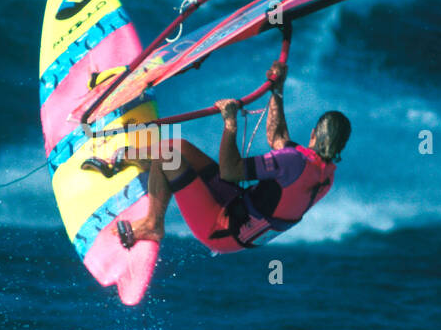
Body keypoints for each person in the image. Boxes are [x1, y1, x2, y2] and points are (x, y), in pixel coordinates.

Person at [84, 61, 349, 251]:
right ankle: (123, 158)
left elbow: (230, 171)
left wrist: (230, 124)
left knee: (167, 155)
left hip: (221, 228)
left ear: (313, 133)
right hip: (237, 208)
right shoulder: (322, 172)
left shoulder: (295, 162)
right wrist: (276, 91)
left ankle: (152, 225)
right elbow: (277, 140)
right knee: (181, 148)